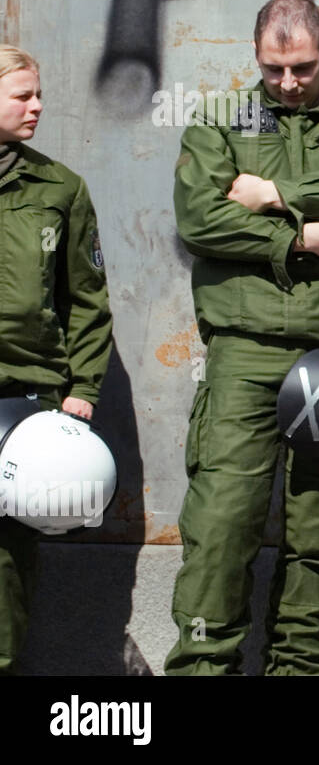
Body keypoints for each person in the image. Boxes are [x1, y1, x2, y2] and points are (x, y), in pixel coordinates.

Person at [166, 0, 319, 675]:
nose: (288, 83)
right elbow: (201, 221)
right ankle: (202, 666)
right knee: (221, 525)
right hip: (243, 349)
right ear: (256, 57)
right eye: (274, 69)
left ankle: (301, 669)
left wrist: (274, 192)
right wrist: (304, 235)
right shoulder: (220, 120)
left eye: (302, 67)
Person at [0, 44, 114, 674]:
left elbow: (87, 302)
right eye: (23, 95)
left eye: (38, 93)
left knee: (6, 567)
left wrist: (83, 389)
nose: (38, 106)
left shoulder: (60, 189)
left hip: (24, 407)